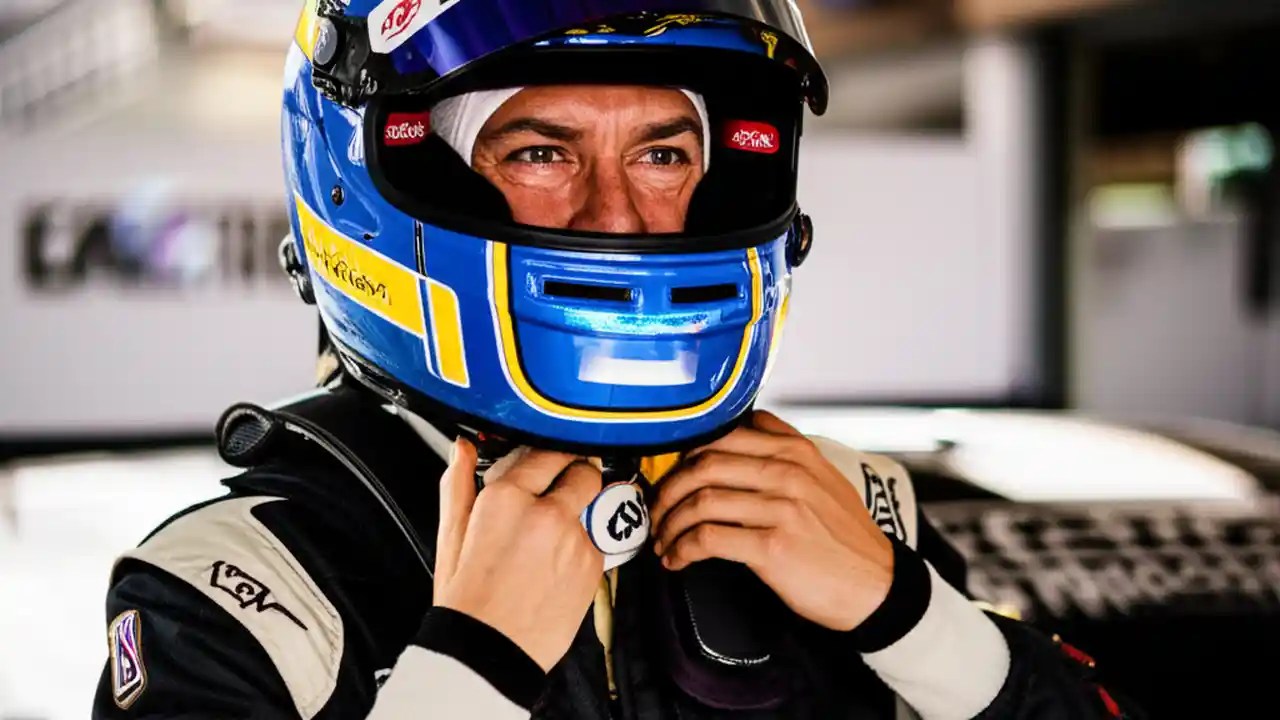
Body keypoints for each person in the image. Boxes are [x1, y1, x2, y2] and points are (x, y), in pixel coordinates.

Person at [93, 2, 1145, 718]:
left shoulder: (854, 512)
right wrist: (472, 666)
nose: (620, 218)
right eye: (541, 152)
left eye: (663, 153)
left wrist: (908, 616)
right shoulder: (241, 588)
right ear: (377, 185)